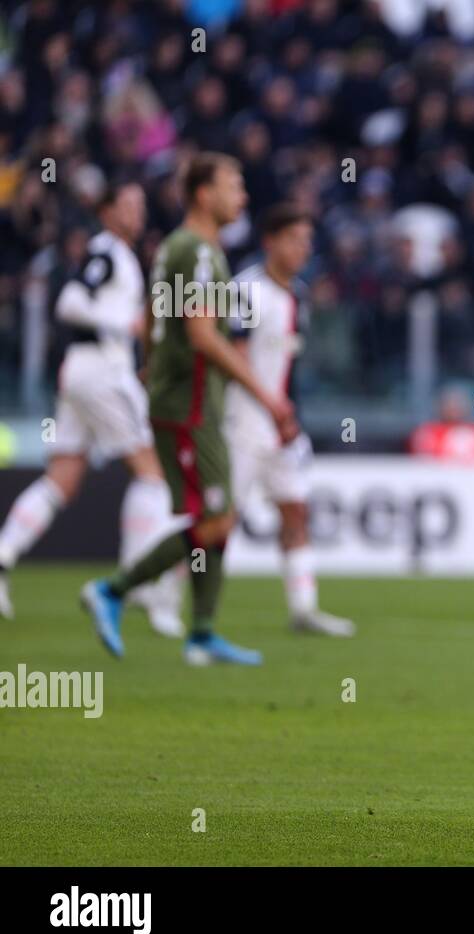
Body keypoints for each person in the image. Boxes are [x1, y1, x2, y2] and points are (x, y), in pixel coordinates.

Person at [81, 153, 298, 665]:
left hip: (183, 399)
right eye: (233, 185)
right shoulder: (197, 252)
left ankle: (201, 630)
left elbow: (159, 314)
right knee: (217, 518)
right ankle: (115, 590)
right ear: (204, 194)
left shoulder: (180, 248)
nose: (242, 195)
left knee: (214, 516)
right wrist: (267, 397)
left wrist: (151, 366)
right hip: (191, 404)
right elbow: (202, 334)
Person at [0, 183, 181, 635]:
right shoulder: (108, 252)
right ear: (107, 212)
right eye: (128, 205)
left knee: (63, 478)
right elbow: (70, 302)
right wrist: (124, 324)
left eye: (141, 205)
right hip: (102, 370)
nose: (137, 214)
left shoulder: (117, 254)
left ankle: (2, 556)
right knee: (154, 473)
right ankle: (133, 581)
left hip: (81, 372)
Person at [226, 203, 353, 636]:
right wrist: (270, 406)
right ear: (270, 242)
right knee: (219, 520)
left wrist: (288, 413)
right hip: (242, 420)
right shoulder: (244, 289)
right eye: (295, 239)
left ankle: (304, 609)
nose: (303, 249)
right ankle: (163, 598)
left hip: (281, 422)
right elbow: (235, 356)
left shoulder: (297, 293)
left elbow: (288, 363)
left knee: (295, 510)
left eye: (307, 241)